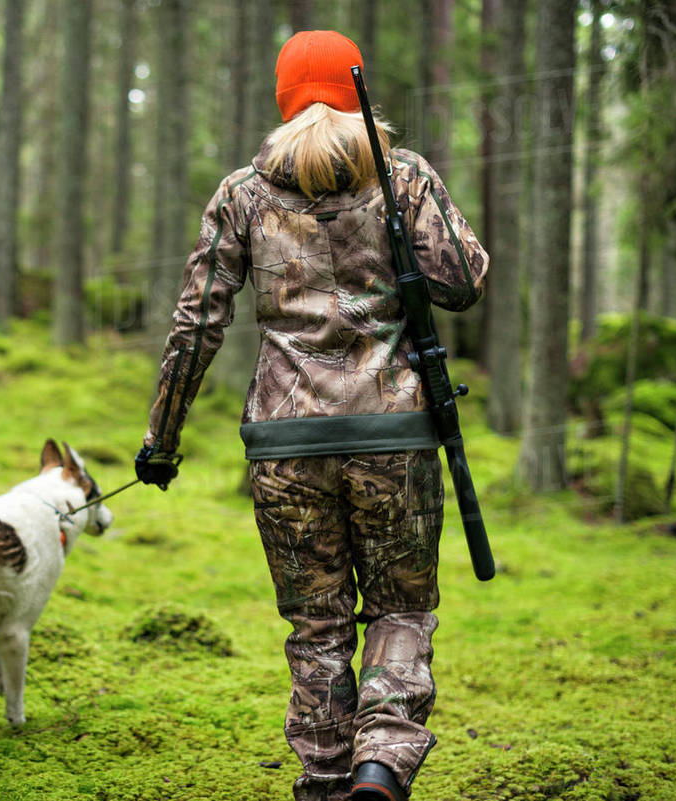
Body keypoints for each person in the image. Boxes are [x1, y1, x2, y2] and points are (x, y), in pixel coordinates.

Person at [135, 30, 488, 801]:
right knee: (401, 606)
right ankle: (379, 767)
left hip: (283, 445)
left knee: (316, 623)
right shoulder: (403, 177)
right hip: (393, 436)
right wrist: (404, 206)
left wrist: (161, 440)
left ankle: (326, 781)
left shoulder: (244, 193)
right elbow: (464, 281)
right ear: (359, 89)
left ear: (283, 99)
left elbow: (197, 323)